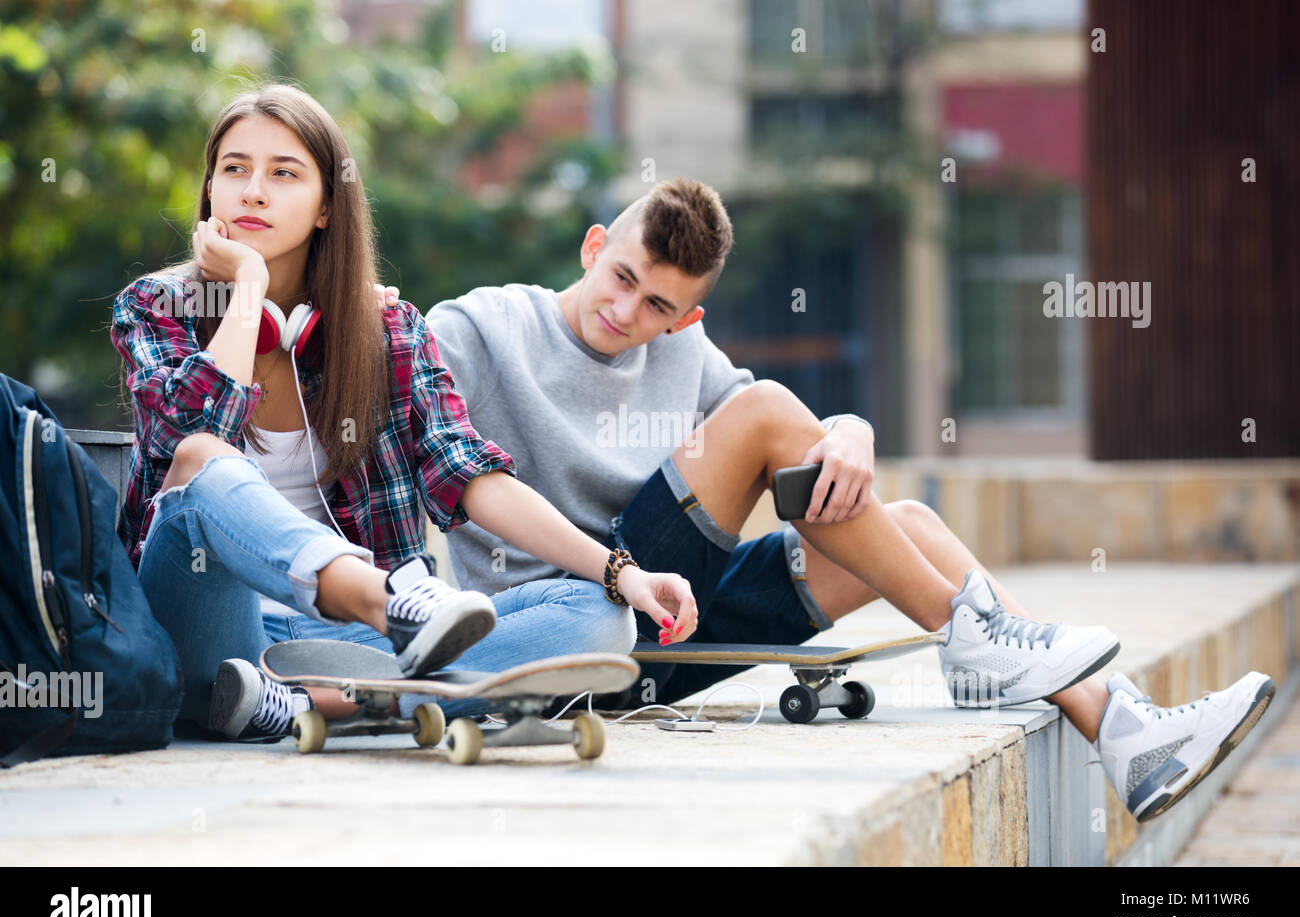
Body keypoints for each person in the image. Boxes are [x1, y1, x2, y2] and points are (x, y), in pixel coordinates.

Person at [425, 177, 1275, 823]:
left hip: (674, 628)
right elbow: (383, 391)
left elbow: (790, 433)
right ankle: (974, 634)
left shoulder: (684, 357)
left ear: (688, 317)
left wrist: (851, 425)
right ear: (593, 245)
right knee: (761, 418)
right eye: (620, 277)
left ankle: (1125, 732)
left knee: (910, 526)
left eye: (657, 305)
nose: (624, 310)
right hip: (571, 624)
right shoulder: (485, 327)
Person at [110, 84, 698, 743]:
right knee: (201, 460)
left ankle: (320, 700)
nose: (253, 191)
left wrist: (622, 570)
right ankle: (386, 637)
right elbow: (190, 440)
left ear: (328, 206)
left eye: (284, 174)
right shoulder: (156, 307)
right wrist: (245, 288)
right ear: (210, 188)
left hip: (350, 640)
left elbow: (467, 474)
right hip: (213, 628)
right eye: (235, 169)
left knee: (600, 618)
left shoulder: (388, 328)